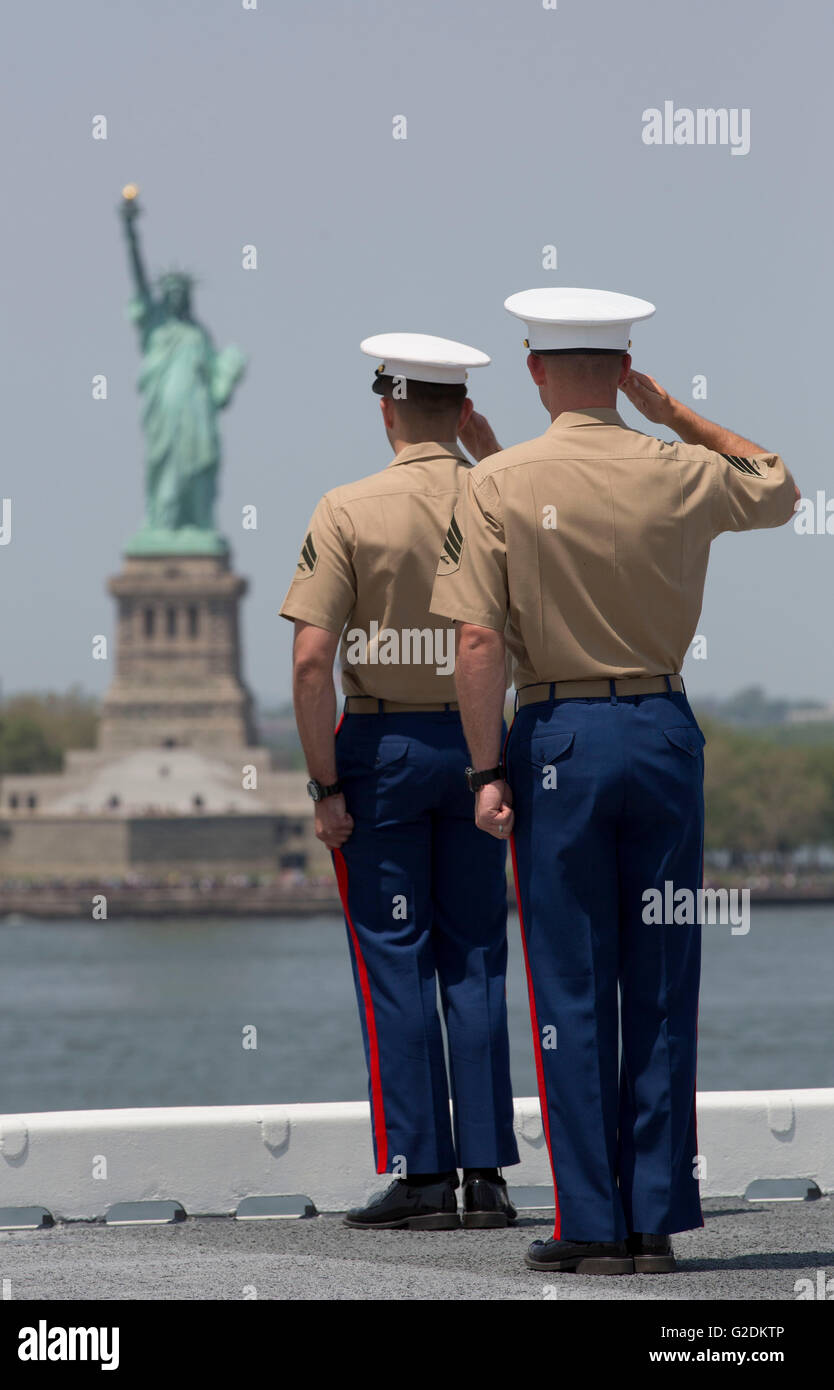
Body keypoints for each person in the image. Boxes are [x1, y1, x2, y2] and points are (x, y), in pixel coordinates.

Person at [430, 287, 798, 1274]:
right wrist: (673, 413)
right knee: (663, 978)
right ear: (622, 370)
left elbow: (472, 638)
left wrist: (483, 768)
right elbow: (776, 484)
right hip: (663, 730)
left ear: (536, 371)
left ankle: (590, 1224)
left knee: (571, 986)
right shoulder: (677, 469)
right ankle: (652, 1214)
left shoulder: (496, 481)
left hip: (557, 737)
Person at [279, 333, 519, 1231]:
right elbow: (544, 543)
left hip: (381, 750)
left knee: (397, 961)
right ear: (462, 410)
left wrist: (322, 785)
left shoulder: (347, 508)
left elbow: (310, 663)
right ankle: (489, 1175)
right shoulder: (497, 495)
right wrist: (491, 455)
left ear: (385, 410)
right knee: (477, 960)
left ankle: (423, 1175)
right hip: (479, 745)